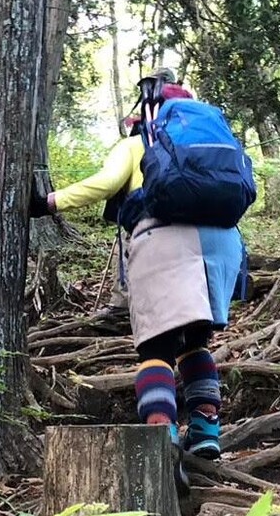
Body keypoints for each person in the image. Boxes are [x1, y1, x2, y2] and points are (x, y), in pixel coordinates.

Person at [31, 71, 246, 462]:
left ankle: (160, 436)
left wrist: (48, 202)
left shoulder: (140, 142)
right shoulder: (214, 145)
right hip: (223, 243)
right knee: (195, 342)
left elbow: (107, 181)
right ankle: (206, 431)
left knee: (156, 346)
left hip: (163, 240)